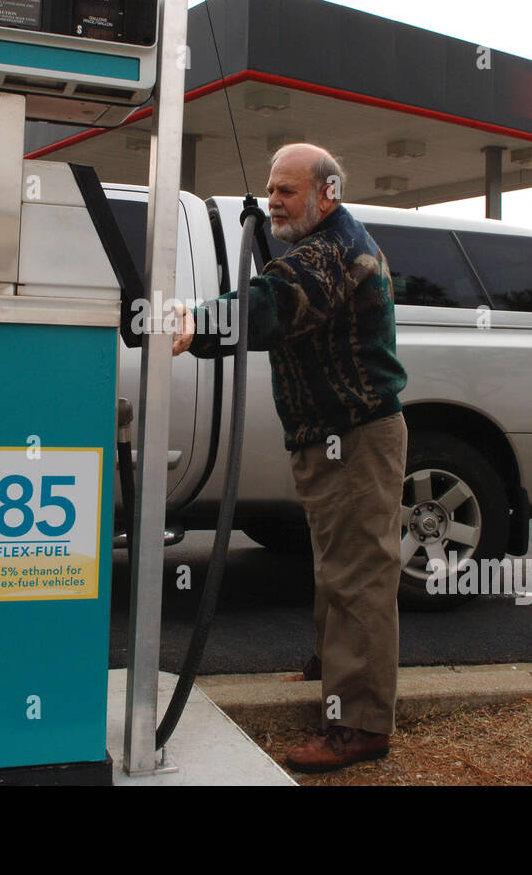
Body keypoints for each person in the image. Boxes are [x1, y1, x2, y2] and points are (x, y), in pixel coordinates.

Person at [172, 143, 408, 773]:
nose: (274, 201)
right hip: (333, 435)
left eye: (288, 191)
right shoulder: (320, 243)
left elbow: (272, 303)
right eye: (271, 189)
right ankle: (337, 677)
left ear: (327, 193)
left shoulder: (332, 251)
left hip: (355, 435)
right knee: (337, 568)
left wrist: (196, 323)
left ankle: (359, 724)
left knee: (358, 575)